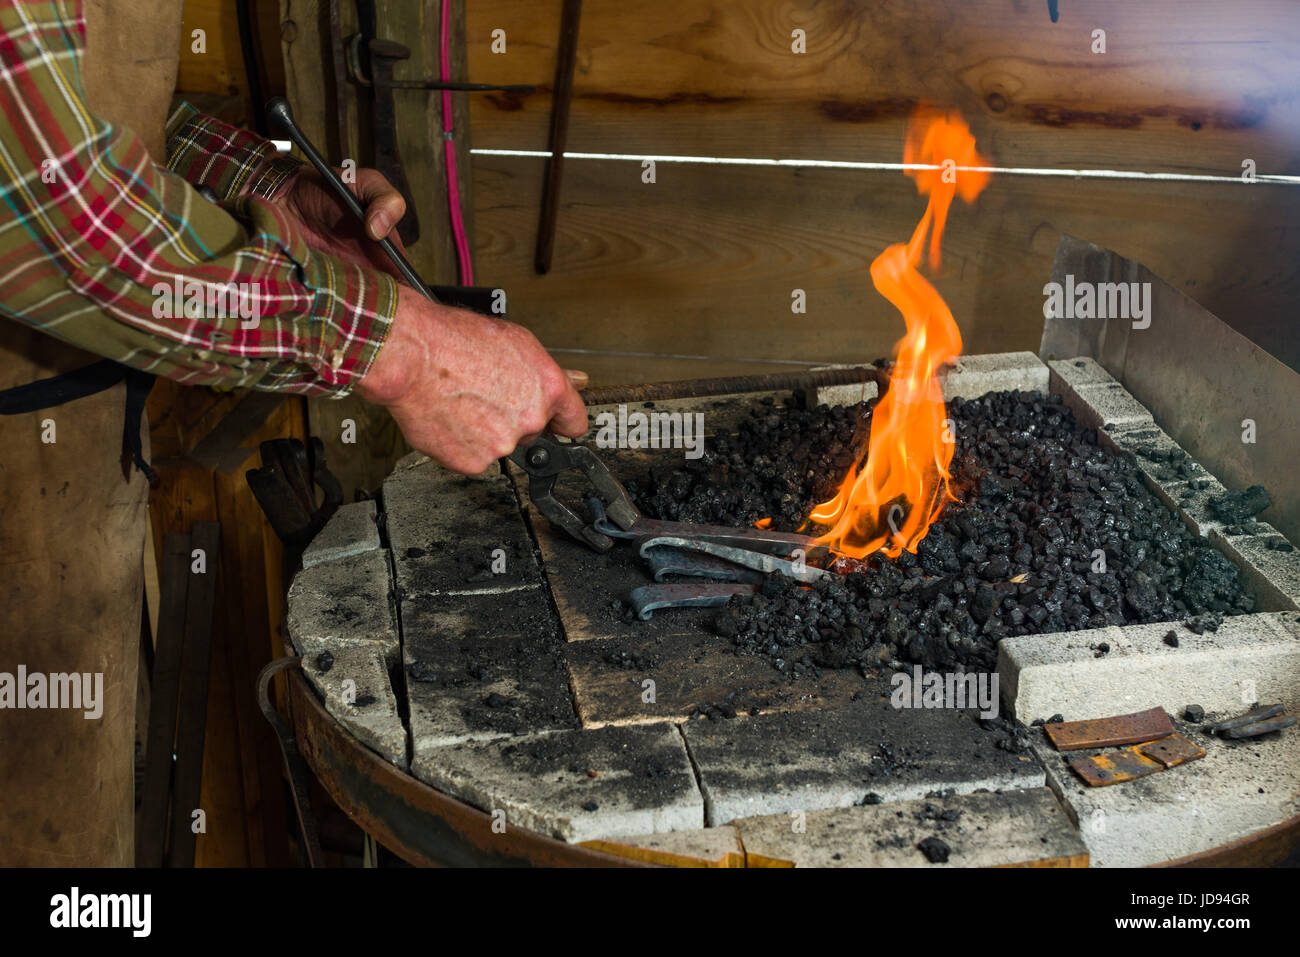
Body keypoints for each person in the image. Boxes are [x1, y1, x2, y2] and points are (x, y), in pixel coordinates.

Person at [0, 0, 585, 865]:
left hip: (71, 448)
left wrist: (265, 182)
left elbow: (102, 109)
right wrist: (411, 352)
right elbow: (56, 212)